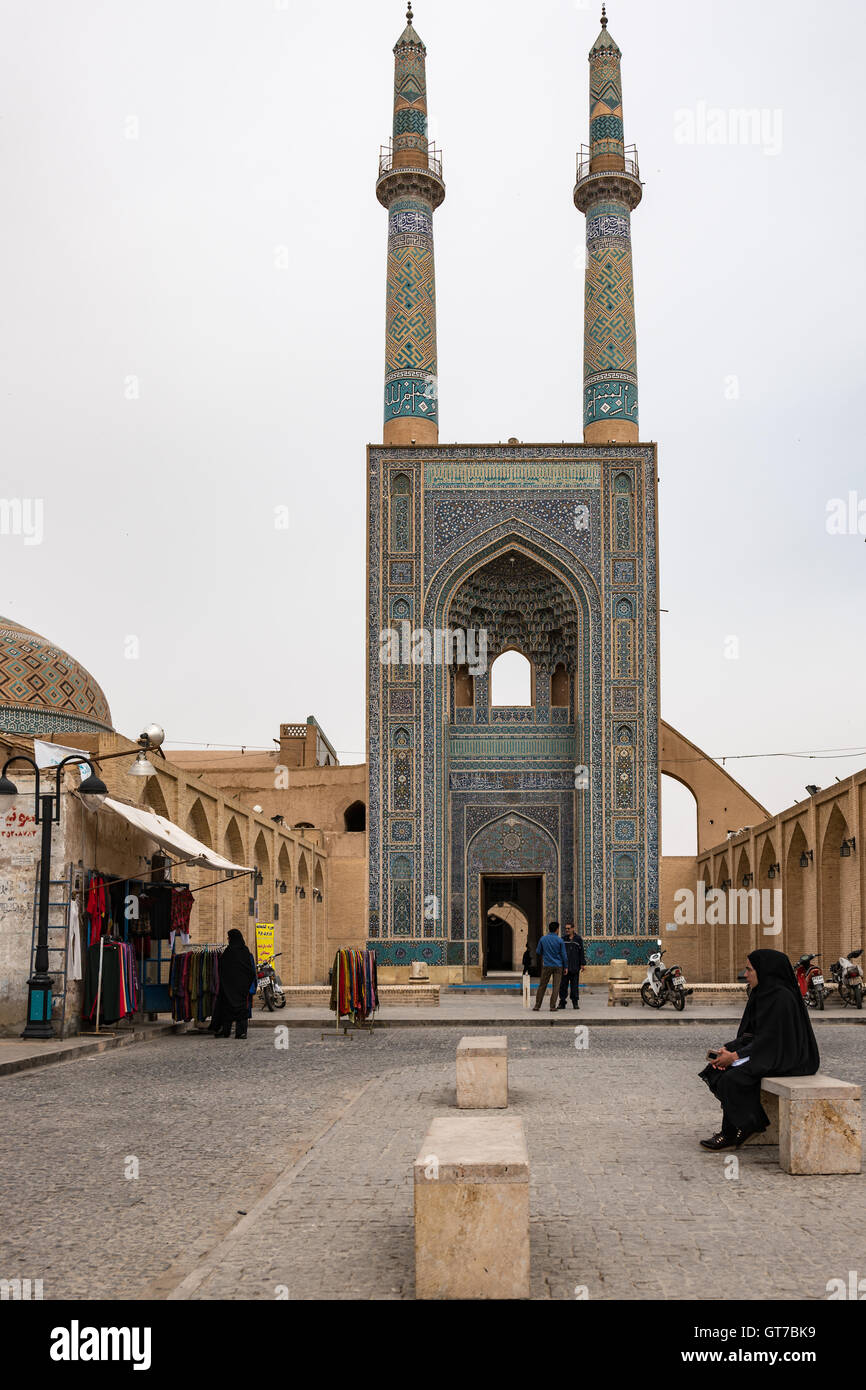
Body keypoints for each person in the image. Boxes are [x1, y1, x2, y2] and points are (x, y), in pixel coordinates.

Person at [698, 948, 819, 1149]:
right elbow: (751, 1034)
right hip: (768, 1051)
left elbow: (773, 1039)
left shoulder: (782, 998)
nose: (745, 975)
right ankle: (739, 1127)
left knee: (733, 1078)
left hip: (788, 1057)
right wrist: (729, 1050)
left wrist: (736, 1056)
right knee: (717, 1069)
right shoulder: (762, 993)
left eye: (749, 970)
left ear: (765, 970)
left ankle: (743, 1128)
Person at [211, 928, 257, 1039]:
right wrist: (246, 984)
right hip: (241, 988)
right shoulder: (245, 951)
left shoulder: (228, 952)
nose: (228, 939)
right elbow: (251, 971)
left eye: (229, 937)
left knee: (227, 1008)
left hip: (228, 987)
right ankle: (240, 1032)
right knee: (241, 1009)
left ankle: (225, 1031)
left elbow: (221, 968)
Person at [533, 922, 568, 1012]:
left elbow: (538, 951)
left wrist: (546, 954)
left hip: (547, 965)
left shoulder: (543, 939)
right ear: (557, 929)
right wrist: (566, 967)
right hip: (558, 966)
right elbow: (564, 955)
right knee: (556, 986)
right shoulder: (560, 940)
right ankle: (552, 1006)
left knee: (542, 986)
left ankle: (537, 1005)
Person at [557, 922, 586, 1009]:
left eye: (568, 928)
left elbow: (581, 952)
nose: (567, 930)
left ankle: (575, 1002)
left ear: (573, 929)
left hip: (575, 966)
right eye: (566, 928)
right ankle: (562, 1002)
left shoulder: (578, 939)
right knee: (563, 986)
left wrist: (582, 964)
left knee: (574, 985)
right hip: (565, 967)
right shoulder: (563, 939)